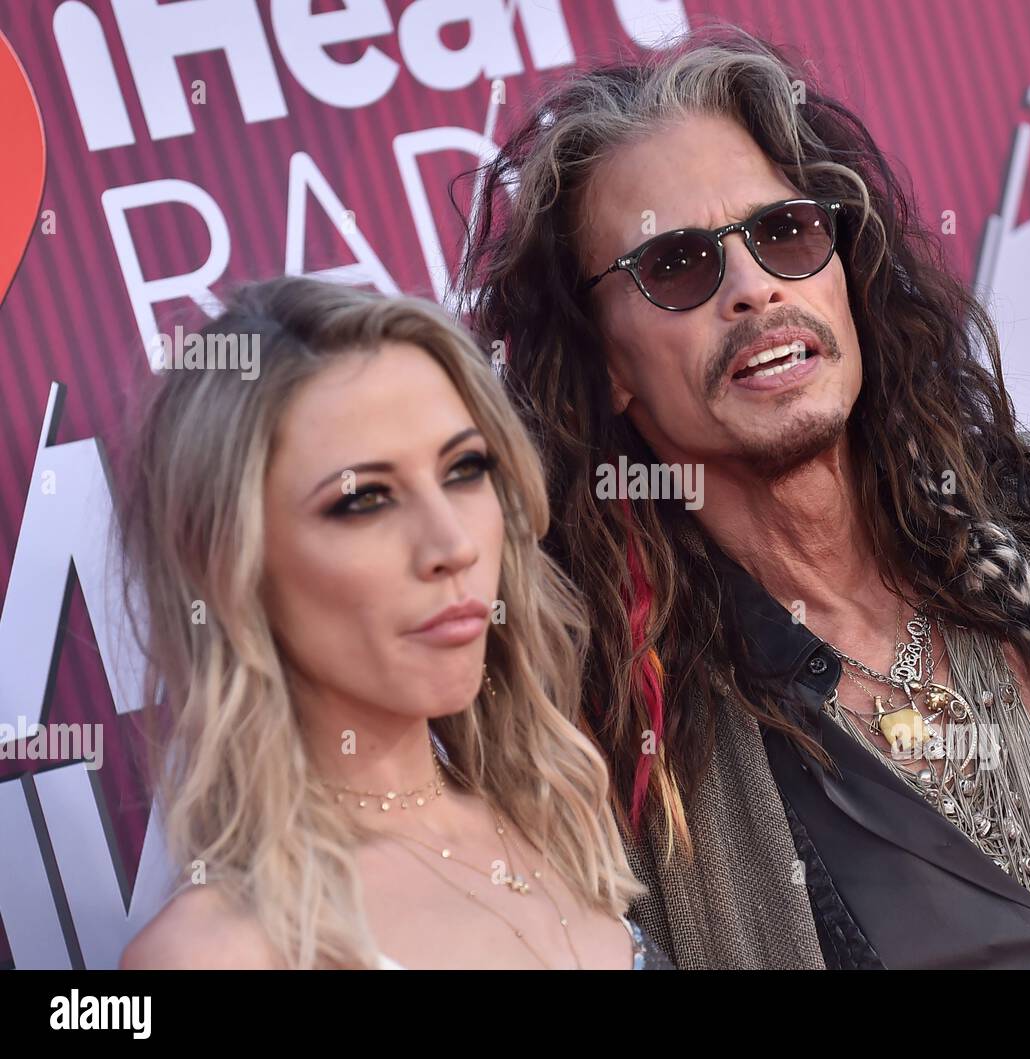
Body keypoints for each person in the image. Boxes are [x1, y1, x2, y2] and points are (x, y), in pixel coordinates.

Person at [455, 26, 1030, 969]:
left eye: (785, 232)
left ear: (842, 264)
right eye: (677, 266)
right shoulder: (622, 735)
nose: (752, 290)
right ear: (604, 361)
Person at [114, 276, 673, 969]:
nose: (452, 546)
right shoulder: (218, 952)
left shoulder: (558, 812)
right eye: (364, 500)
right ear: (230, 563)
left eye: (465, 469)